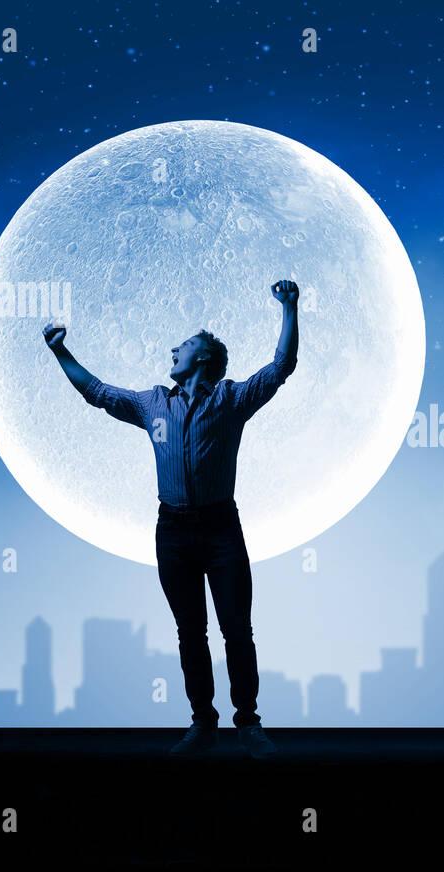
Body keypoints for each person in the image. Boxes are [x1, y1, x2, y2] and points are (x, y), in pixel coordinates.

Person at [43, 280, 300, 757]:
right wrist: (62, 352)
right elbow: (97, 392)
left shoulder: (231, 400)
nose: (173, 350)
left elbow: (281, 366)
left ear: (203, 358)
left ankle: (248, 724)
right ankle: (203, 723)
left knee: (236, 630)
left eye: (184, 346)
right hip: (173, 532)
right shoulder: (152, 403)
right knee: (190, 632)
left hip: (222, 529)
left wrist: (289, 307)